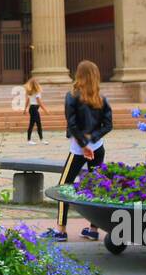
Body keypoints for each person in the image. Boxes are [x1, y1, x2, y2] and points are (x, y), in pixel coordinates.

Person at [43, 59, 113, 242]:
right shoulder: (101, 99)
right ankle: (93, 229)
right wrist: (93, 140)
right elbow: (108, 125)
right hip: (97, 149)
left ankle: (61, 230)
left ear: (79, 75)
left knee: (63, 186)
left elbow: (72, 125)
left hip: (77, 149)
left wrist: (83, 145)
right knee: (96, 187)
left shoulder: (71, 96)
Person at [25, 77, 44, 144]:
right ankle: (29, 140)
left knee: (38, 124)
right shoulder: (37, 92)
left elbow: (27, 101)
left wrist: (25, 109)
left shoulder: (30, 92)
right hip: (34, 109)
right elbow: (39, 102)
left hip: (32, 108)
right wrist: (45, 110)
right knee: (33, 124)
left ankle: (41, 139)